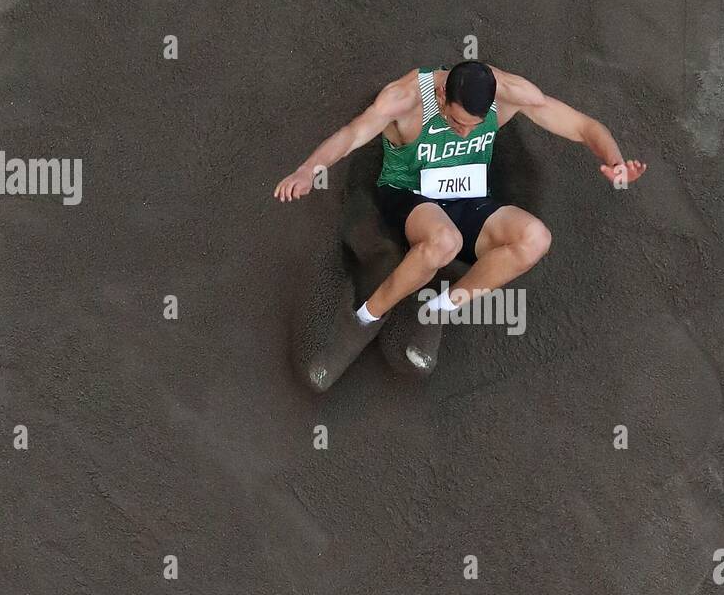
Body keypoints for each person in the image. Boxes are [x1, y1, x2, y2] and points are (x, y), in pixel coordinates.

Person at [275, 61, 647, 390]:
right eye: (455, 122)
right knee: (444, 241)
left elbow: (584, 126)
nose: (465, 135)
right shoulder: (405, 98)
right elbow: (352, 134)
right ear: (440, 94)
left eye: (474, 126)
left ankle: (437, 310)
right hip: (408, 194)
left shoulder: (510, 93)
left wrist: (615, 162)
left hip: (467, 199)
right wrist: (309, 170)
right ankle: (360, 321)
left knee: (535, 238)